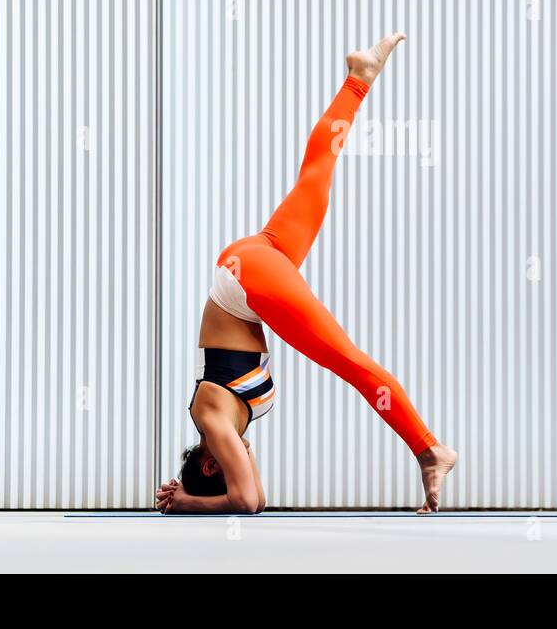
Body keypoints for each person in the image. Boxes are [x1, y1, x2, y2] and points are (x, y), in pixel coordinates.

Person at [156, 33, 458, 515]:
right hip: (255, 260)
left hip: (247, 277)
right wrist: (219, 479)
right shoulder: (229, 425)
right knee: (316, 174)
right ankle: (359, 77)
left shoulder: (211, 418)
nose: (244, 458)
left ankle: (429, 450)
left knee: (351, 362)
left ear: (211, 466)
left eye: (230, 463)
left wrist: (185, 502)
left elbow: (246, 502)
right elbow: (257, 493)